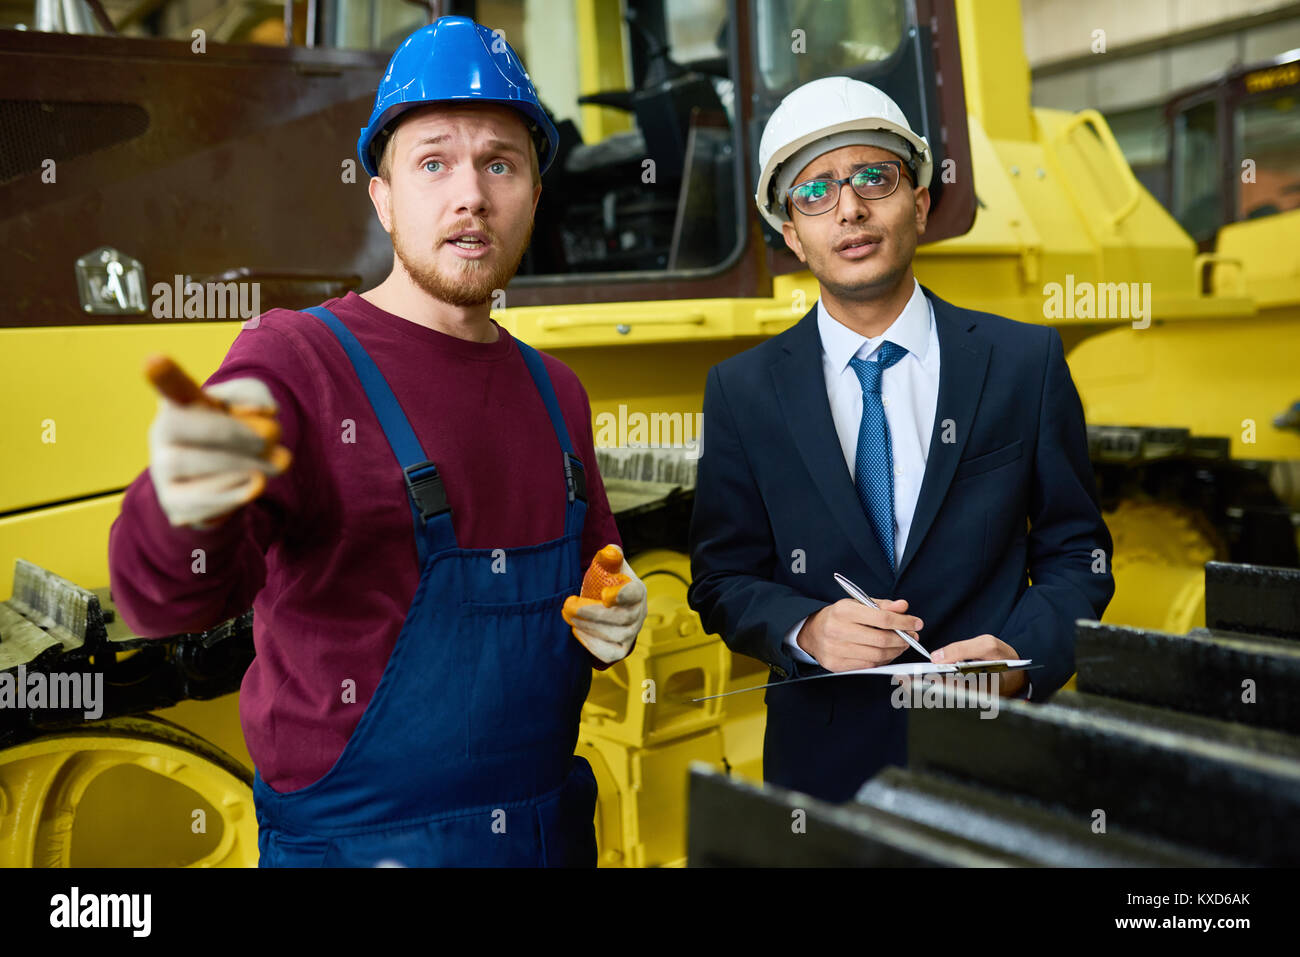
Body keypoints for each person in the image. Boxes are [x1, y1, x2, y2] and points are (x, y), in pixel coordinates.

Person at [108, 16, 648, 866]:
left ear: (534, 197)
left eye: (499, 163)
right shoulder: (297, 362)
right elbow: (166, 600)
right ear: (383, 197)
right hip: (356, 848)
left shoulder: (558, 394)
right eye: (433, 161)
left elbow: (597, 572)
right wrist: (176, 503)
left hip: (545, 838)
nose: (469, 194)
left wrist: (618, 604)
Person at [687, 76, 1114, 803]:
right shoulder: (742, 391)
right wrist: (806, 628)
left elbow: (1080, 552)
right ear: (791, 233)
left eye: (872, 178)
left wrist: (1020, 653)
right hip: (823, 773)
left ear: (918, 202)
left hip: (995, 754)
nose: (848, 208)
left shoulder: (1023, 364)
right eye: (814, 192)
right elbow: (721, 578)